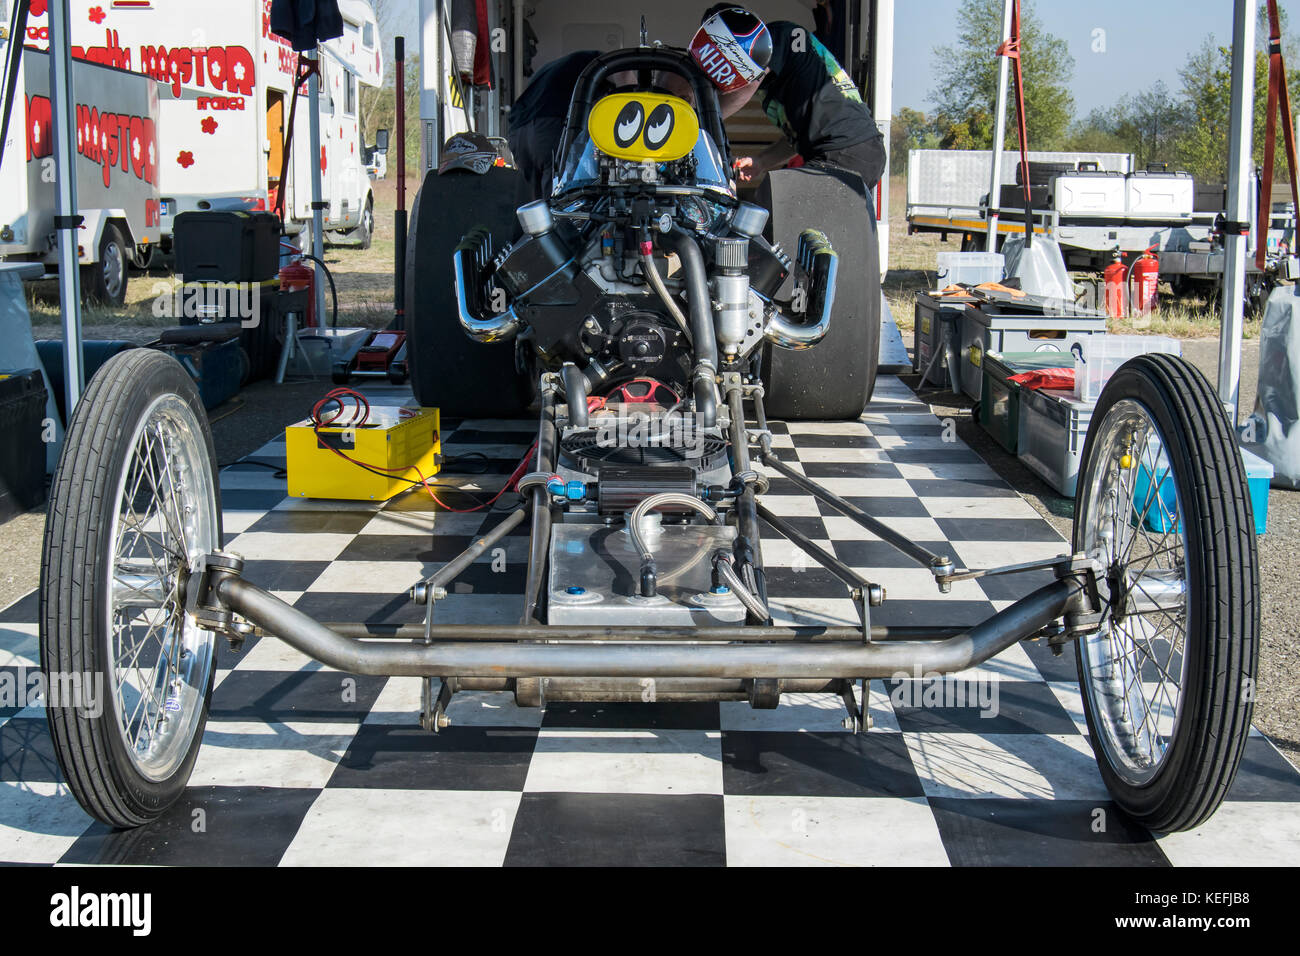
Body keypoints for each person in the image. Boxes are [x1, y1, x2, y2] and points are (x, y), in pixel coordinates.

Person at [703, 5, 885, 191]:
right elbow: (796, 141)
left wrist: (702, 122)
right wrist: (761, 161)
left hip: (847, 151)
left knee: (775, 200)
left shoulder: (776, 37)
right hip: (853, 152)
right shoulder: (780, 78)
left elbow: (750, 82)